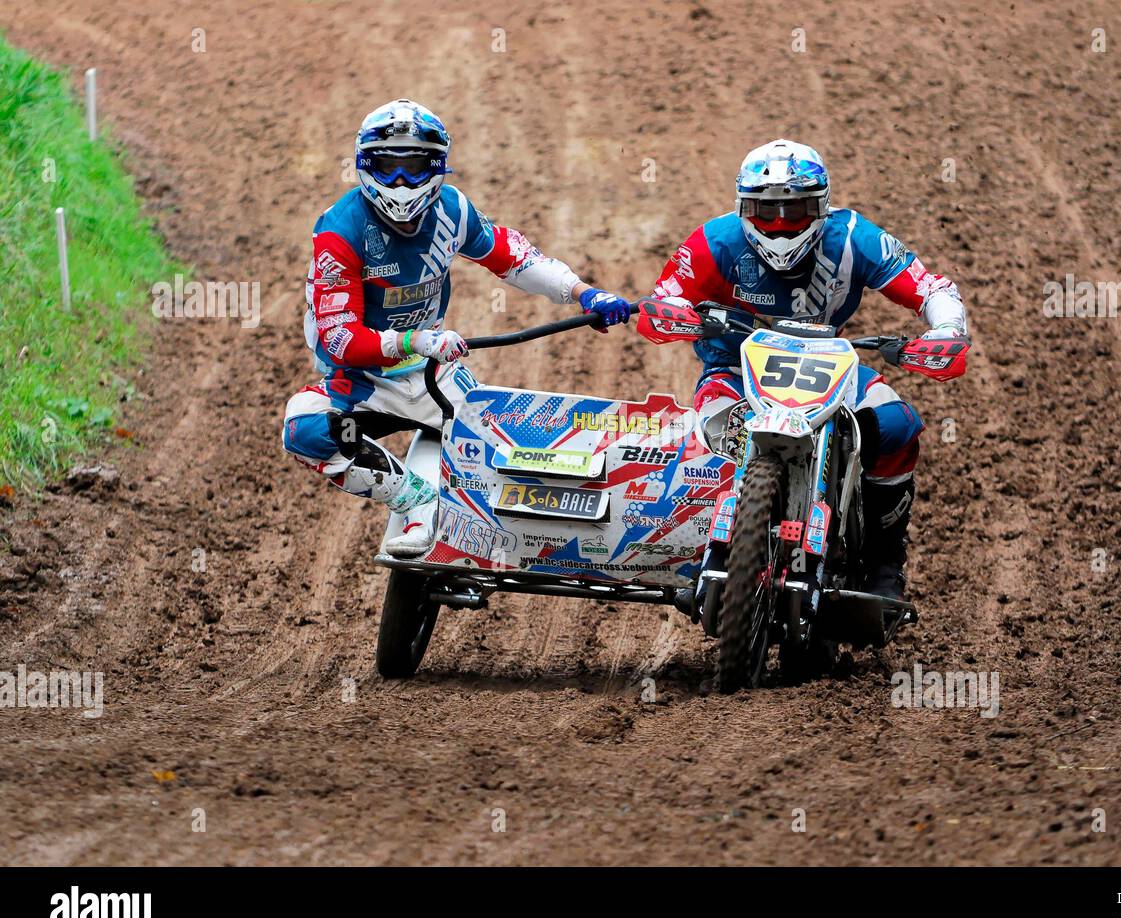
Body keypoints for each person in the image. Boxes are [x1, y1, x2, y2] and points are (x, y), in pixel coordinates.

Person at [281, 99, 630, 556]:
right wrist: (416, 340)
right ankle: (418, 502)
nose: (401, 181)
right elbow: (340, 339)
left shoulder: (453, 209)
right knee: (304, 428)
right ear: (366, 166)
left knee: (517, 453)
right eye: (388, 166)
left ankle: (586, 527)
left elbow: (513, 257)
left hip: (435, 376)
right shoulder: (340, 231)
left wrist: (584, 293)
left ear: (438, 166)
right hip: (361, 386)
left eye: (414, 165)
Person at [647, 139, 968, 599]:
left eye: (794, 210)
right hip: (735, 370)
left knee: (897, 426)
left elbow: (929, 286)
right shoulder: (714, 241)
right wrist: (674, 312)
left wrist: (946, 329)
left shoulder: (854, 236)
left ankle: (885, 560)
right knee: (711, 438)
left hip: (826, 367)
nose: (779, 226)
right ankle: (703, 547)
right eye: (765, 211)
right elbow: (666, 293)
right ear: (743, 207)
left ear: (820, 206)